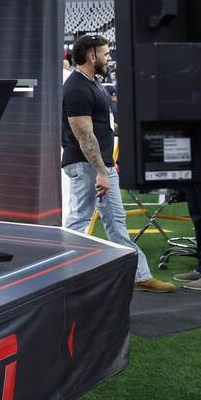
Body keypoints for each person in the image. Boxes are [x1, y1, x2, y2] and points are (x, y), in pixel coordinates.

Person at [61, 34, 173, 293]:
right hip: (89, 165)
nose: (109, 57)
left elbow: (100, 127)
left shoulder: (91, 82)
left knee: (115, 222)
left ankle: (139, 275)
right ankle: (65, 279)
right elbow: (83, 134)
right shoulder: (77, 87)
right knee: (79, 221)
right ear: (92, 56)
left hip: (99, 165)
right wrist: (101, 171)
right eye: (106, 53)